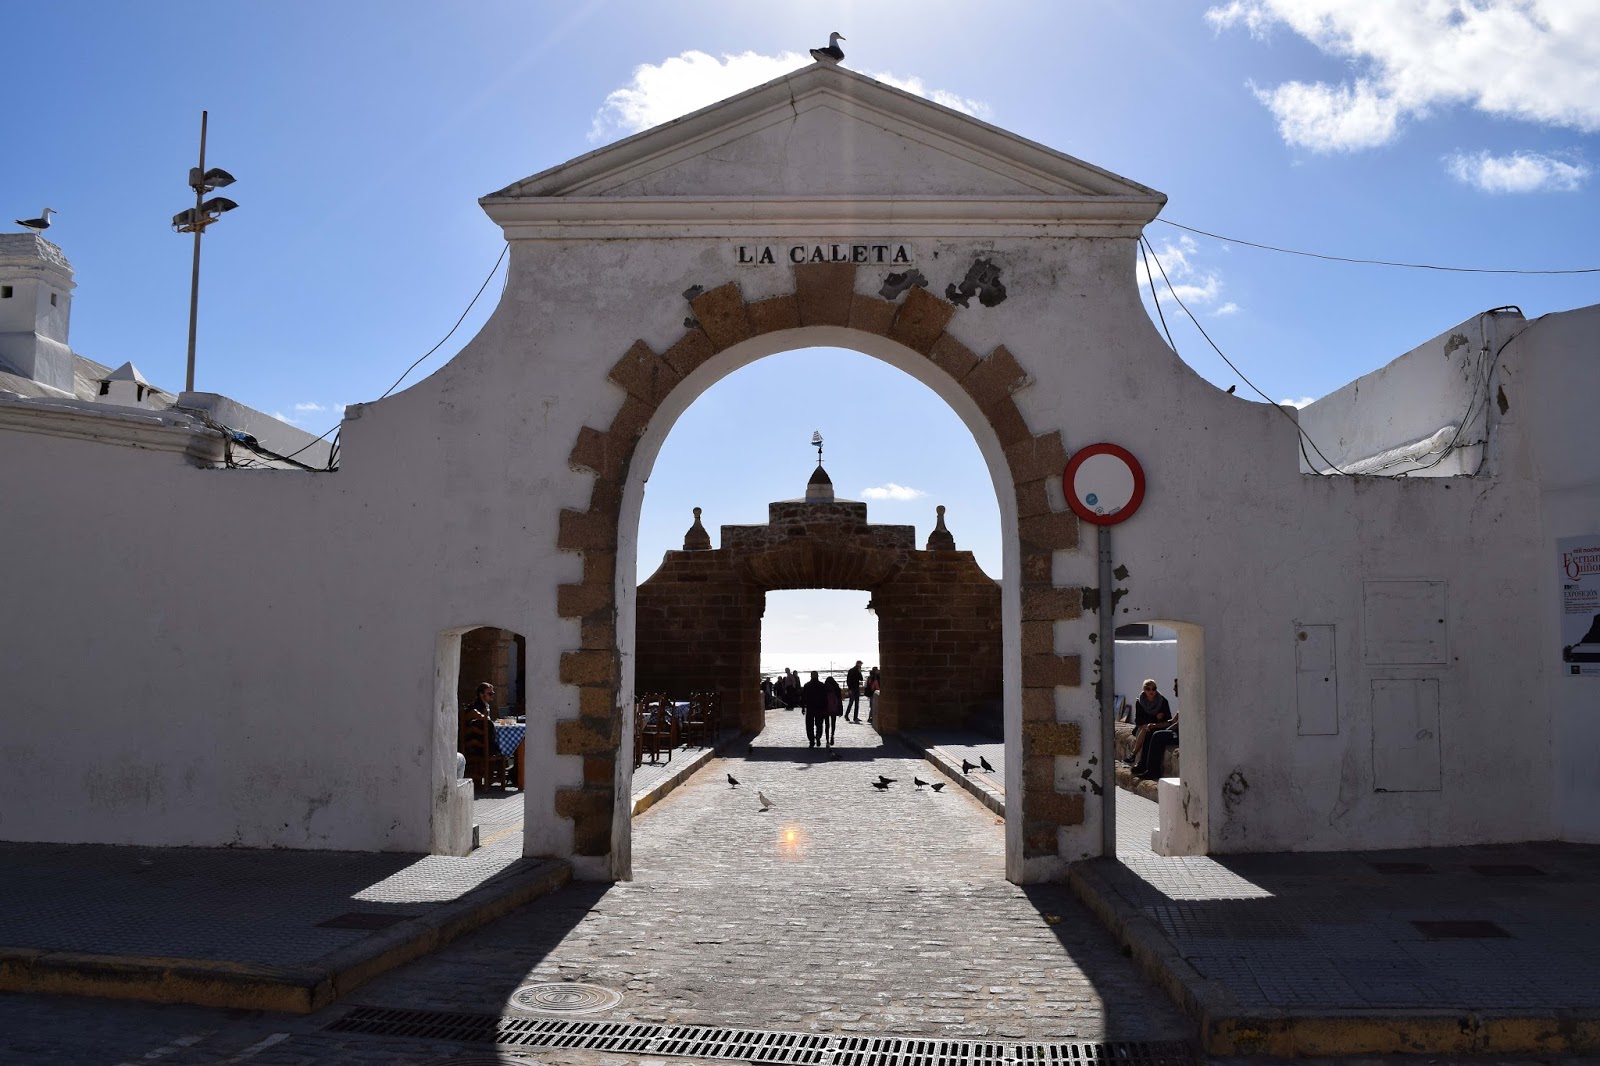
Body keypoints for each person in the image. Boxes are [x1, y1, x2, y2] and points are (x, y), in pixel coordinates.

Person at [1126, 680, 1171, 768]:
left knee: (1148, 732)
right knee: (1145, 729)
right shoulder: (1140, 702)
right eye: (1148, 689)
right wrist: (1155, 718)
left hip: (1158, 726)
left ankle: (1134, 755)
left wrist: (1159, 719)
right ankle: (1139, 761)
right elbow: (1139, 720)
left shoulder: (1162, 701)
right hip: (1142, 727)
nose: (1151, 691)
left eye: (1153, 689)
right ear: (1144, 689)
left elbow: (1168, 719)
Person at [1133, 709, 1179, 780]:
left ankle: (1153, 772)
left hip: (1181, 735)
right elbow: (1173, 721)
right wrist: (1154, 725)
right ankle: (1143, 765)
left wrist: (1166, 729)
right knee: (1150, 731)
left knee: (1158, 736)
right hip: (1176, 731)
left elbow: (1177, 725)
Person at [801, 671, 828, 748]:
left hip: (810, 708)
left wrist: (803, 707)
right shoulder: (822, 685)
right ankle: (818, 736)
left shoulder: (807, 685)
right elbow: (825, 698)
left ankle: (811, 741)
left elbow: (803, 698)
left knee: (809, 725)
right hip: (819, 708)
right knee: (819, 724)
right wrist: (825, 708)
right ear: (817, 676)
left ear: (811, 676)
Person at [823, 675, 844, 746]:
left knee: (827, 724)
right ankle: (832, 735)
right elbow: (839, 700)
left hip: (826, 708)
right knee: (833, 723)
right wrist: (841, 710)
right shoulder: (837, 688)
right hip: (834, 708)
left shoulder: (824, 688)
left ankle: (827, 740)